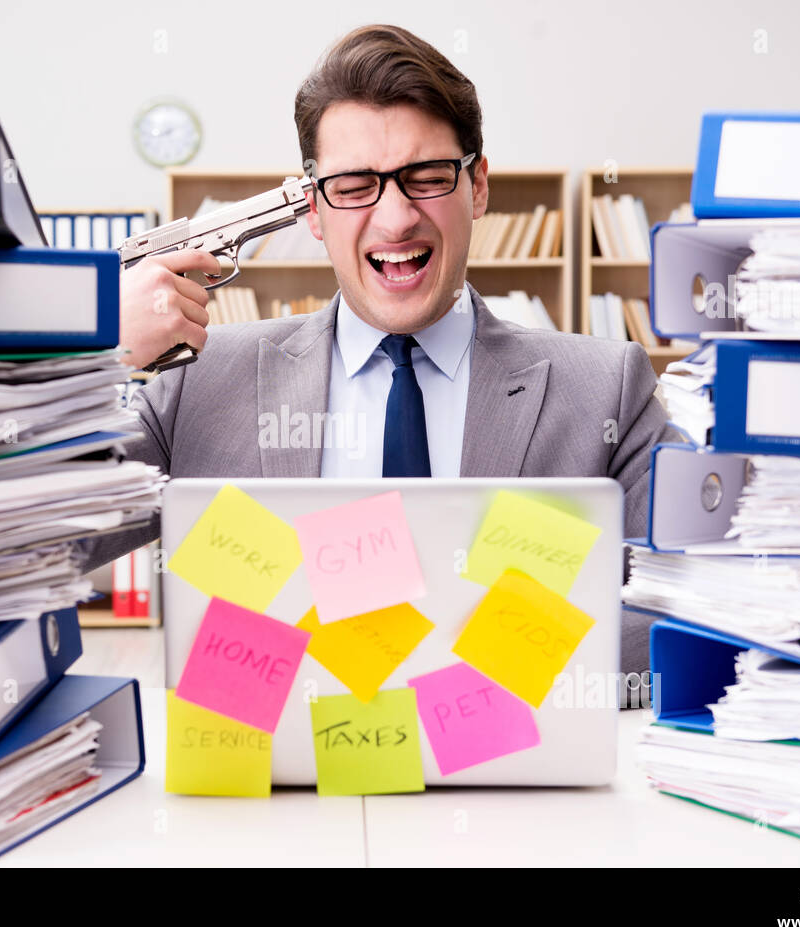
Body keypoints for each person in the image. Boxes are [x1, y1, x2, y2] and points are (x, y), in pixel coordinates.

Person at [112, 24, 677, 676]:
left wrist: (447, 686)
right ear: (315, 212)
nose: (395, 217)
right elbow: (20, 547)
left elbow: (684, 614)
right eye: (355, 186)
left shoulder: (606, 388)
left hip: (506, 773)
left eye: (428, 177)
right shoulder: (197, 385)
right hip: (270, 771)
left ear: (479, 187)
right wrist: (93, 343)